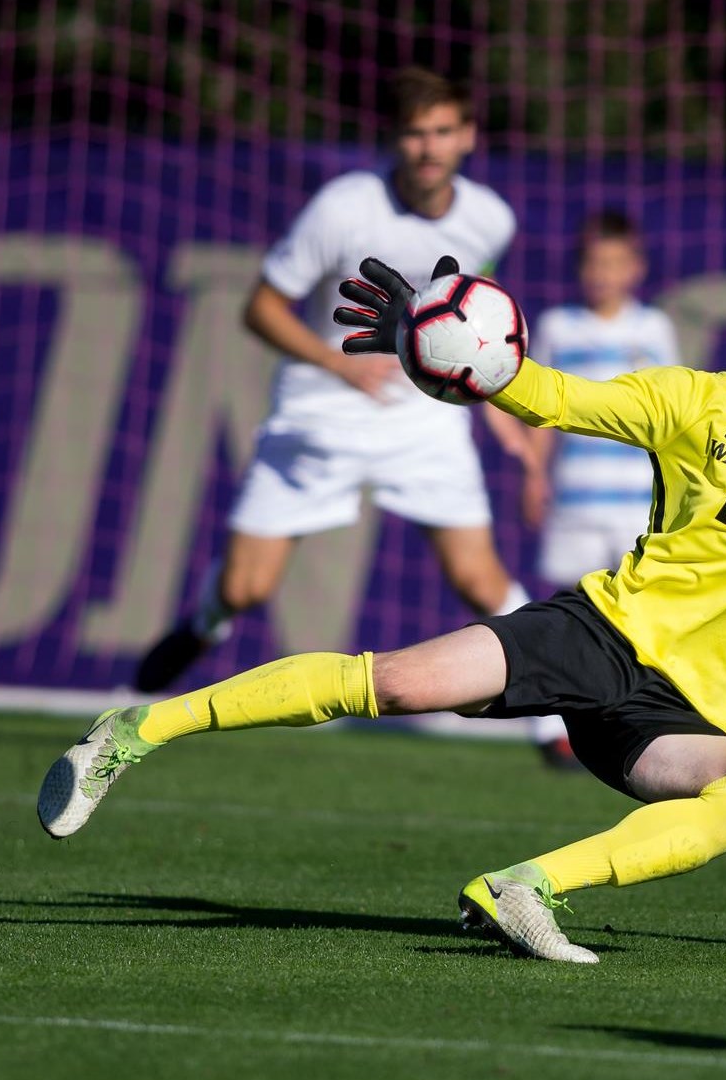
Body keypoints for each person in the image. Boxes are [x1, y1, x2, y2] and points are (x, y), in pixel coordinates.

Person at [40, 217, 726, 964]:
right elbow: (554, 394)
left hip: (683, 704)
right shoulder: (689, 397)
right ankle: (137, 732)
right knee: (391, 684)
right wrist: (459, 355)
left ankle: (522, 889)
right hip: (602, 631)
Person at [129, 67, 574, 767]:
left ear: (467, 136)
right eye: (414, 132)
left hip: (424, 420)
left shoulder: (491, 217)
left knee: (480, 580)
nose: (428, 147)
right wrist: (339, 364)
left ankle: (551, 722)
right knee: (248, 586)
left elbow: (469, 336)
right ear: (394, 138)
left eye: (442, 131)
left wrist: (501, 420)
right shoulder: (344, 205)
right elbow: (261, 307)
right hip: (322, 409)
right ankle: (205, 622)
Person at [521, 210, 681, 588]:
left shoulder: (654, 328)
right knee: (571, 611)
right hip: (576, 501)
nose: (602, 274)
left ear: (635, 268)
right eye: (593, 263)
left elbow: (672, 415)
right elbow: (539, 415)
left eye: (613, 264)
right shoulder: (557, 327)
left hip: (639, 504)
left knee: (637, 608)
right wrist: (534, 475)